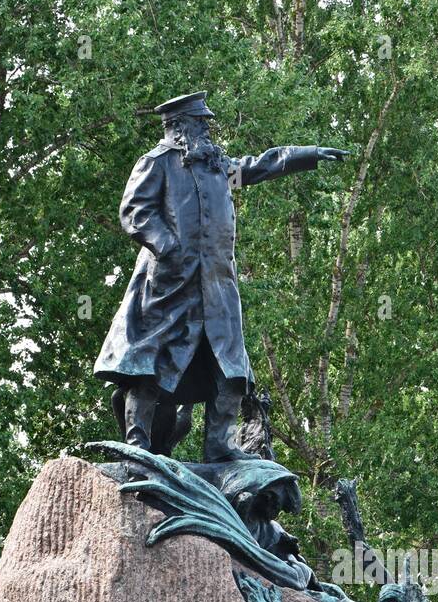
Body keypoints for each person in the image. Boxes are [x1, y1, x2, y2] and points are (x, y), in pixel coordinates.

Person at [94, 91, 349, 461]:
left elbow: (261, 166)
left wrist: (307, 154)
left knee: (230, 370)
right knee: (148, 365)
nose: (207, 131)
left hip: (216, 289)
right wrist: (170, 248)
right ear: (178, 127)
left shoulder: (218, 169)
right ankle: (138, 447)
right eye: (200, 123)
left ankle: (220, 448)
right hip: (167, 287)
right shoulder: (157, 163)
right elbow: (135, 211)